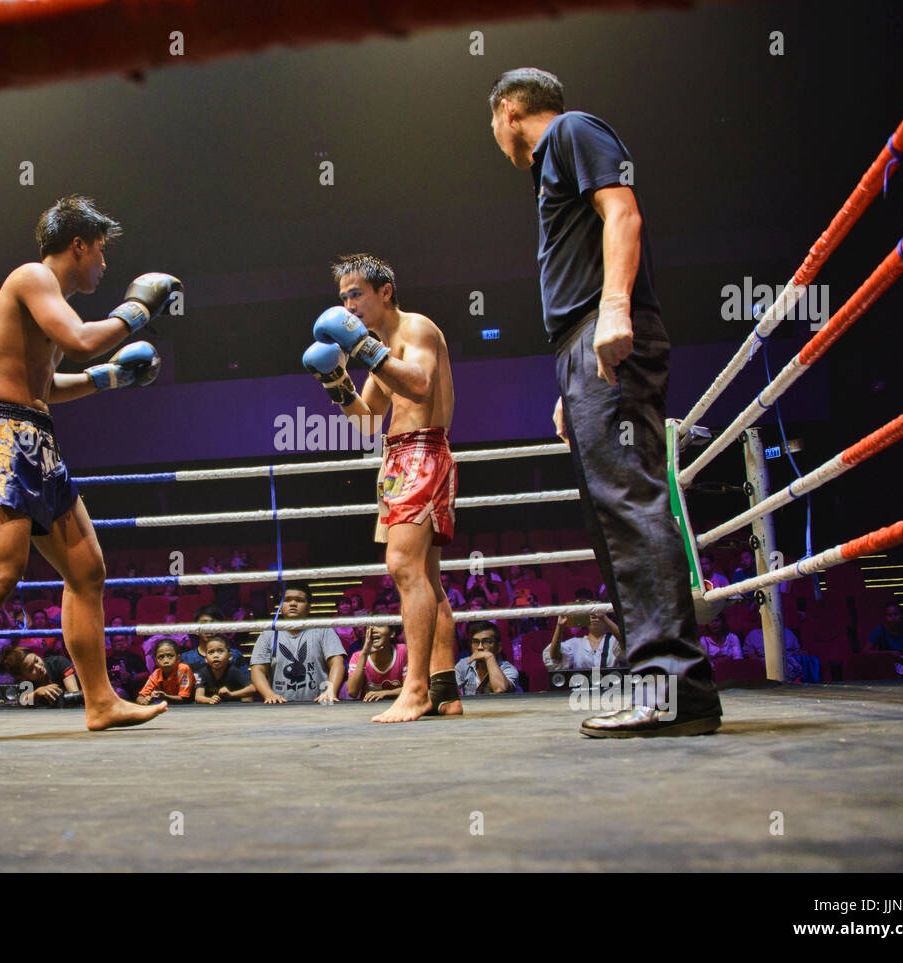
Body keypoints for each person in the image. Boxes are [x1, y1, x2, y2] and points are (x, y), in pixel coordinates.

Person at [489, 68, 721, 736]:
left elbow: (623, 211)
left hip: (603, 331)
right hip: (582, 349)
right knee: (610, 514)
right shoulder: (555, 162)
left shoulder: (571, 130)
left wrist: (613, 312)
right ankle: (663, 684)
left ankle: (675, 688)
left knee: (628, 500)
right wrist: (572, 381)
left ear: (509, 111)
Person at [0, 195, 179, 741]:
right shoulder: (32, 276)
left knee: (88, 571)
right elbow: (81, 341)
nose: (105, 265)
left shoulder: (50, 300)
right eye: (101, 251)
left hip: (36, 438)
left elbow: (45, 386)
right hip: (0, 436)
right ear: (78, 245)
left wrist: (112, 378)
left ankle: (101, 702)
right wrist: (138, 310)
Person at [302, 253, 460, 723]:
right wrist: (335, 381)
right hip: (395, 460)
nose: (348, 306)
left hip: (423, 453)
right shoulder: (379, 350)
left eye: (356, 294)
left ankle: (414, 689)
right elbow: (368, 422)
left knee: (401, 566)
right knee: (427, 580)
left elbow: (420, 384)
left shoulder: (417, 329)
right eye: (342, 298)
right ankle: (444, 690)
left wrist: (363, 349)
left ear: (384, 291)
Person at [249, 583, 345, 704]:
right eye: (287, 600)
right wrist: (269, 695)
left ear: (309, 606)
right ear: (281, 605)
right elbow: (257, 669)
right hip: (280, 704)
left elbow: (337, 662)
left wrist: (331, 690)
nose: (293, 604)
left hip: (319, 703)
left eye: (299, 600)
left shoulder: (323, 630)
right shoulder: (268, 634)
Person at [546, 600, 625, 670]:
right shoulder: (576, 643)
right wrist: (560, 626)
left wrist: (603, 617)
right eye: (590, 614)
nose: (594, 616)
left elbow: (625, 643)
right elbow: (554, 657)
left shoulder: (613, 640)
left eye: (598, 612)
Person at [0, 644, 80, 706]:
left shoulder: (58, 663)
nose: (39, 667)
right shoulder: (27, 682)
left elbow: (75, 696)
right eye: (31, 669)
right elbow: (23, 702)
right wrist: (37, 693)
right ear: (23, 676)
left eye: (36, 660)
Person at [343, 624, 407, 702]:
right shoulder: (358, 656)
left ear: (392, 633)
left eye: (379, 625)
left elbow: (412, 688)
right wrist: (364, 654)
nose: (373, 630)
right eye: (368, 628)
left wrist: (385, 693)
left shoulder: (404, 652)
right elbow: (352, 692)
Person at [454, 621, 520, 695]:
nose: (480, 647)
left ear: (498, 647)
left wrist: (489, 657)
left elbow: (500, 690)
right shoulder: (463, 664)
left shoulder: (508, 668)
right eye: (475, 642)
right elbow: (448, 691)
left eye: (487, 642)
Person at [193, 636, 255, 704]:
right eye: (211, 652)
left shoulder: (233, 671)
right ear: (206, 658)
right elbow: (198, 697)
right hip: (211, 708)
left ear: (229, 656)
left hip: (232, 706)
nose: (215, 655)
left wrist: (231, 694)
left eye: (220, 651)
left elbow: (252, 688)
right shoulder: (203, 673)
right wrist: (208, 700)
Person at [138, 639, 196, 705]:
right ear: (156, 661)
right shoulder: (156, 674)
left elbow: (184, 699)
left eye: (170, 656)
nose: (166, 661)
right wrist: (145, 700)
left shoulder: (183, 669)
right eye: (161, 657)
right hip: (168, 708)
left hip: (190, 707)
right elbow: (140, 697)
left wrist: (165, 696)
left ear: (178, 658)